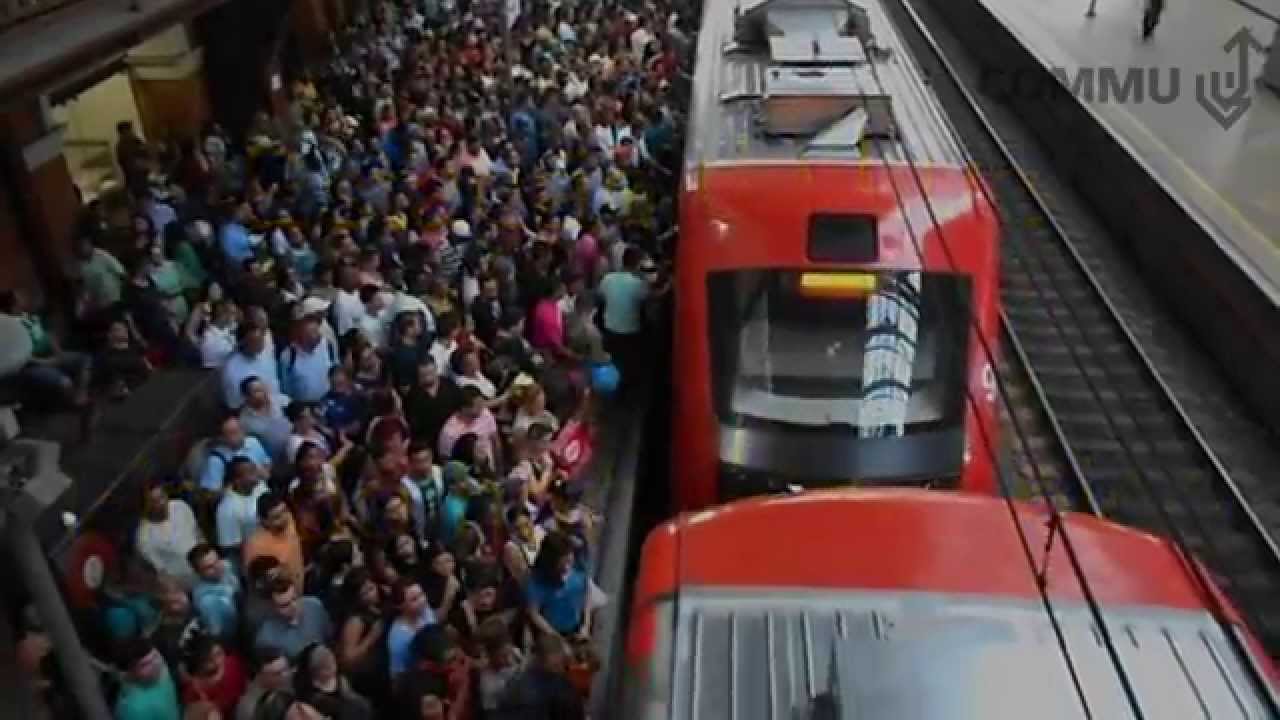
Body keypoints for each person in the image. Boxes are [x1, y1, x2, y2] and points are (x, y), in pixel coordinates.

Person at [0, 289, 92, 407]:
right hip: (34, 364)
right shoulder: (11, 328)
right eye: (20, 297)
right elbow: (21, 357)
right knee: (64, 382)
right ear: (13, 304)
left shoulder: (29, 316)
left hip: (52, 356)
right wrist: (47, 362)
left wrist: (58, 353)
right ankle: (75, 402)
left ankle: (81, 394)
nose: (24, 298)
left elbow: (48, 335)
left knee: (84, 360)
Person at [136, 481, 203, 587]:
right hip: (185, 583)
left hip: (205, 568)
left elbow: (198, 533)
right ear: (146, 505)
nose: (161, 503)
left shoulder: (180, 506)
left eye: (162, 497)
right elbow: (161, 573)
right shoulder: (144, 538)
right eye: (154, 501)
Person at [255, 578, 333, 660]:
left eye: (295, 598)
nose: (294, 606)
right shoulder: (266, 638)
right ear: (272, 607)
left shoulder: (315, 606)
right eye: (285, 605)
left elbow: (329, 637)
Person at [243, 492, 306, 587]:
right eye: (277, 517)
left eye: (285, 511)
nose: (284, 518)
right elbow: (259, 585)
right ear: (264, 521)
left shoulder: (288, 521)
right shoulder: (255, 546)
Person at [201, 414, 272, 493]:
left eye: (240, 428)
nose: (240, 434)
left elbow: (267, 461)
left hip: (264, 490)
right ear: (222, 438)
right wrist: (240, 484)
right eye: (233, 433)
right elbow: (211, 493)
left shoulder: (252, 441)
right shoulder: (216, 461)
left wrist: (265, 472)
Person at [114, 637, 182, 720]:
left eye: (155, 656)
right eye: (145, 665)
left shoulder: (161, 667)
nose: (156, 664)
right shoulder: (134, 711)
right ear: (130, 673)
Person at [222, 324, 285, 410]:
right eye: (256, 341)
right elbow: (234, 405)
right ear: (243, 342)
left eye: (261, 339)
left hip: (278, 407)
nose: (261, 344)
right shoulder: (231, 370)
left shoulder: (266, 355)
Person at [189, 543, 243, 640]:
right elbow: (217, 635)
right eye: (210, 567)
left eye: (217, 560)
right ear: (198, 572)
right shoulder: (206, 603)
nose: (218, 567)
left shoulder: (226, 566)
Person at [387, 579, 437, 679]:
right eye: (414, 599)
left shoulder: (425, 610)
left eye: (422, 594)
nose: (422, 600)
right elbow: (397, 677)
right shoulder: (398, 640)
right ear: (400, 606)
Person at [235, 648, 293, 720]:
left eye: (286, 668)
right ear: (259, 676)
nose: (286, 675)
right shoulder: (248, 708)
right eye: (277, 673)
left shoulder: (288, 680)